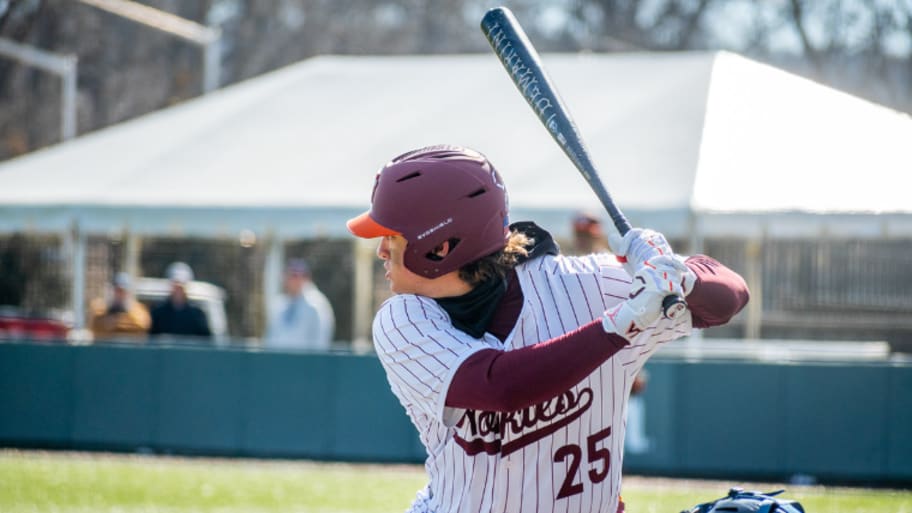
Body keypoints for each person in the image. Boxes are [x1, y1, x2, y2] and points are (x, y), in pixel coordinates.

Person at [346, 145, 750, 513]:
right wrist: (623, 324)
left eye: (393, 237)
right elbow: (498, 387)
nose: (380, 249)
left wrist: (679, 276)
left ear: (439, 247)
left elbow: (730, 297)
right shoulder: (403, 319)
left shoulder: (585, 284)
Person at [571, 210, 651, 453]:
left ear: (598, 234)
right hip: (576, 351)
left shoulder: (613, 266)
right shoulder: (567, 265)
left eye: (587, 234)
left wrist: (636, 358)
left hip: (612, 347)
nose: (583, 239)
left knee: (612, 428)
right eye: (580, 234)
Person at [264, 258, 335, 351]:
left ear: (306, 278)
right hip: (278, 362)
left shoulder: (316, 304)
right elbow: (271, 338)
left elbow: (321, 341)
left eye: (297, 275)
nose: (294, 280)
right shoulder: (278, 304)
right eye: (291, 275)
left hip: (305, 363)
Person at [149, 262, 212, 340]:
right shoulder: (157, 312)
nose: (178, 289)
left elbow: (206, 342)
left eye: (181, 286)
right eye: (175, 285)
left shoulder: (197, 314)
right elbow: (151, 339)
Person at [88, 271, 150, 342]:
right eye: (117, 290)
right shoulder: (100, 308)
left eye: (123, 291)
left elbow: (142, 325)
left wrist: (114, 321)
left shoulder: (139, 310)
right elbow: (96, 326)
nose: (119, 295)